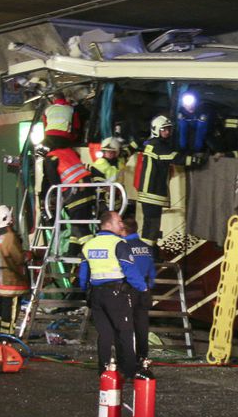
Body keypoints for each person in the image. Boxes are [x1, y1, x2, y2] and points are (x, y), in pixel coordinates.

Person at [79, 212, 148, 379]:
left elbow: (83, 275)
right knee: (125, 332)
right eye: (118, 221)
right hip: (117, 295)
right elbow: (130, 270)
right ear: (108, 225)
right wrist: (143, 289)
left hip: (97, 296)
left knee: (105, 334)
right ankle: (129, 371)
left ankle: (104, 371)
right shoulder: (119, 244)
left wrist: (85, 290)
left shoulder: (89, 245)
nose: (121, 225)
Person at [134, 115, 200, 250]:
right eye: (164, 130)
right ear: (156, 130)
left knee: (151, 225)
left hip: (151, 193)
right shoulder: (156, 145)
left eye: (169, 130)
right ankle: (148, 253)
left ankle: (150, 251)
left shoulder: (156, 144)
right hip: (152, 193)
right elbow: (174, 158)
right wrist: (196, 160)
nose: (167, 133)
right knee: (151, 225)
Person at [42, 137, 95, 254]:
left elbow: (54, 181)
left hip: (76, 194)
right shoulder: (69, 151)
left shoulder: (51, 157)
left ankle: (94, 251)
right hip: (89, 190)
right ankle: (72, 253)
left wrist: (57, 197)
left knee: (79, 225)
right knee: (77, 226)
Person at [0, 205, 29, 342]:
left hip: (0, 281)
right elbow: (19, 258)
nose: (13, 218)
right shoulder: (9, 237)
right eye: (11, 216)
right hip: (11, 282)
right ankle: (7, 337)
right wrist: (30, 255)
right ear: (7, 219)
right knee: (10, 311)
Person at [122, 216, 156, 367]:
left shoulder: (124, 247)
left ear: (124, 230)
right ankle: (143, 357)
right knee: (142, 325)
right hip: (145, 291)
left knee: (126, 325)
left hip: (129, 290)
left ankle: (128, 359)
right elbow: (152, 272)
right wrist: (148, 287)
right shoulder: (146, 247)